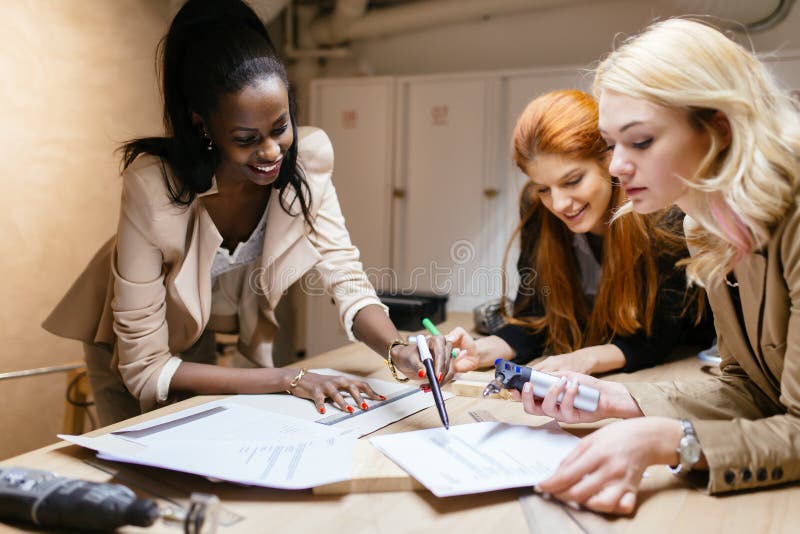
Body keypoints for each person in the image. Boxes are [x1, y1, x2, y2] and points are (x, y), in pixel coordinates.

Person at [42, 0, 453, 426]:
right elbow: (145, 370)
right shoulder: (154, 186)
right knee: (140, 460)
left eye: (280, 127)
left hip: (194, 326)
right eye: (246, 138)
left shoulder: (308, 160)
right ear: (204, 126)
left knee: (204, 441)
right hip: (127, 337)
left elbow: (344, 274)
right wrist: (289, 377)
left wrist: (397, 348)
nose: (272, 151)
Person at [516, 18, 800, 514]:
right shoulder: (705, 225)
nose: (617, 166)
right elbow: (750, 388)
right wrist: (612, 401)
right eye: (611, 145)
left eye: (640, 141)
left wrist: (670, 440)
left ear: (719, 128)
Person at [448, 90, 711, 376]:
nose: (559, 204)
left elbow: (662, 336)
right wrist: (480, 349)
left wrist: (586, 359)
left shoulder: (662, 215)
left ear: (609, 161)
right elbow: (536, 316)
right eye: (544, 188)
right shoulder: (537, 205)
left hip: (680, 367)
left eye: (572, 181)